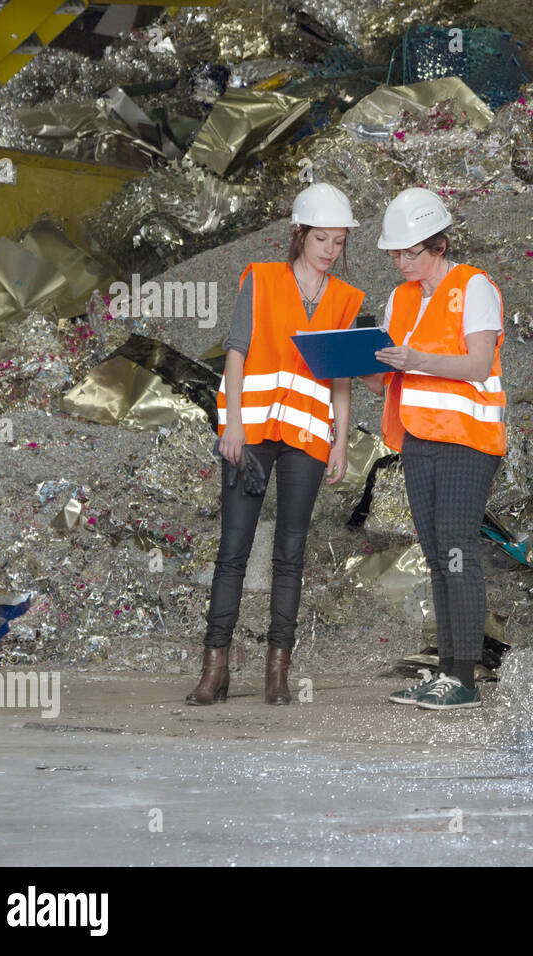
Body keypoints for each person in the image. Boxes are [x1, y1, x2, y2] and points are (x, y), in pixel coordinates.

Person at [187, 183, 365, 706]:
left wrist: (340, 441)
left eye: (338, 242)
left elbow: (341, 378)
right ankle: (214, 669)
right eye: (322, 240)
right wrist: (233, 423)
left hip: (308, 438)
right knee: (232, 552)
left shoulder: (346, 299)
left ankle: (277, 673)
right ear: (299, 235)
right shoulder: (261, 280)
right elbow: (237, 353)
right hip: (253, 433)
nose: (331, 251)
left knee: (290, 553)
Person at [359, 187, 506, 711]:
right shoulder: (399, 299)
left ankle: (463, 679)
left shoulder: (474, 287)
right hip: (418, 440)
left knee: (458, 552)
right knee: (438, 557)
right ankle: (445, 671)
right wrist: (357, 365)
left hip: (468, 442)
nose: (400, 262)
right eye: (395, 253)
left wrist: (415, 358)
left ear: (438, 244)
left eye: (409, 252)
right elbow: (388, 381)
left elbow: (477, 365)